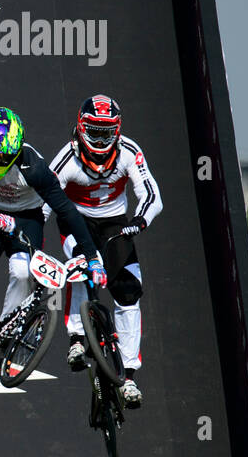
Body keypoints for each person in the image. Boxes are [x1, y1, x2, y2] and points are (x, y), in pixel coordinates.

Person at [0, 107, 102, 377]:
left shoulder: (34, 167)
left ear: (16, 152)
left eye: (3, 157)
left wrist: (92, 256)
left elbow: (66, 210)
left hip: (27, 218)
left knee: (22, 271)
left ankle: (5, 335)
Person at [47, 96, 162, 407]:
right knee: (83, 267)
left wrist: (140, 221)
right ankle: (75, 339)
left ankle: (129, 376)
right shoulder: (66, 158)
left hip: (115, 223)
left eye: (106, 132)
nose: (100, 139)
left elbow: (151, 194)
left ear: (118, 130)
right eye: (94, 132)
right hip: (76, 220)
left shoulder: (130, 152)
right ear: (82, 128)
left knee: (129, 292)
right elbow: (44, 199)